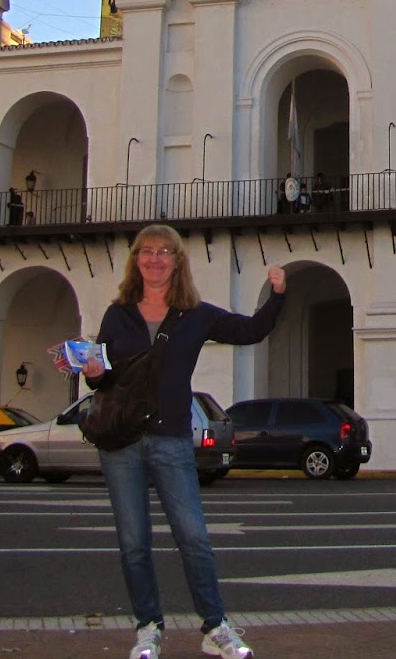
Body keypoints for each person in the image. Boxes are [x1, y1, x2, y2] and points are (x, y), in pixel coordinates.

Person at [79, 224, 286, 659]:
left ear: (177, 261)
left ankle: (215, 627)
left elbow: (250, 331)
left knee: (193, 537)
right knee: (134, 542)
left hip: (171, 438)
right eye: (146, 251)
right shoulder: (118, 314)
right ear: (136, 260)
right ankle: (148, 628)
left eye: (164, 251)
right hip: (122, 443)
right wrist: (92, 373)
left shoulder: (196, 314)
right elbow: (104, 375)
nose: (155, 259)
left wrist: (278, 295)